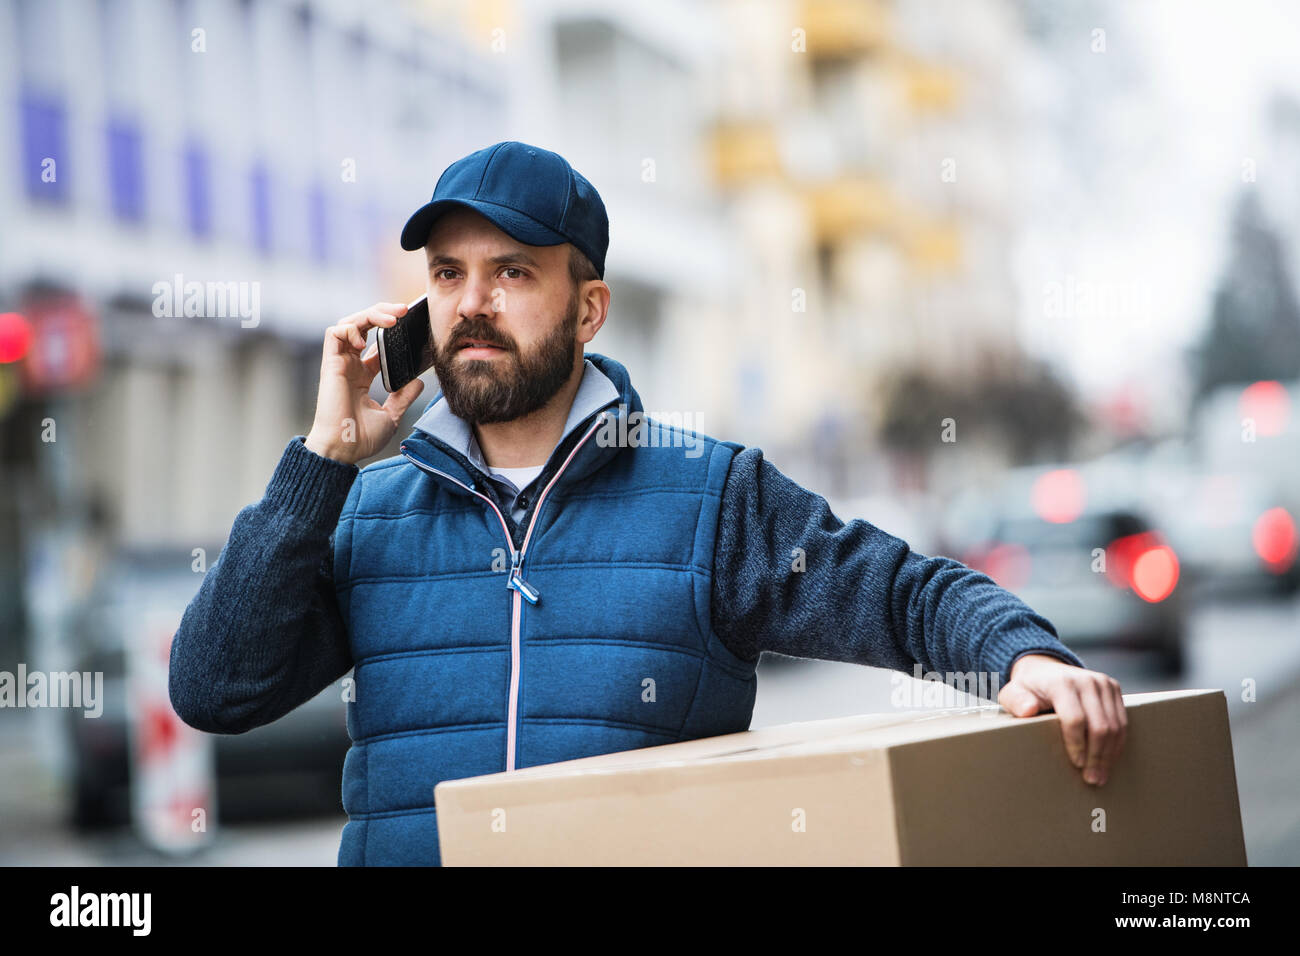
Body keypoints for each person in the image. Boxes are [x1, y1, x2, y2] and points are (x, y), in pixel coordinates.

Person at [169, 141, 1126, 867]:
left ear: (589, 309)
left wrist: (1021, 649)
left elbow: (903, 594)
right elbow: (213, 688)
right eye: (449, 274)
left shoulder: (709, 493)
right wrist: (322, 462)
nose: (472, 303)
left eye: (513, 272)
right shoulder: (367, 510)